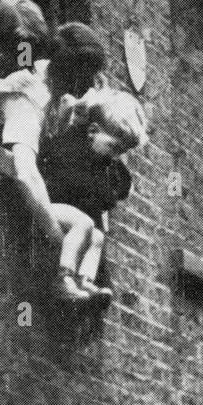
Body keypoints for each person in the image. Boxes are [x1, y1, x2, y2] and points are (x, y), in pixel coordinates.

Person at [0, 1, 107, 286]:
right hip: (15, 223)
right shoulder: (28, 97)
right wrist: (59, 239)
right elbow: (26, 174)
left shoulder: (49, 83)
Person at [39, 88, 147, 304]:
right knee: (84, 223)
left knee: (97, 236)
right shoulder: (71, 145)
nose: (115, 156)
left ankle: (85, 280)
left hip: (70, 210)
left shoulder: (104, 162)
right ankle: (64, 277)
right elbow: (65, 174)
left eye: (121, 152)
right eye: (113, 147)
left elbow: (114, 193)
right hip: (50, 201)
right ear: (93, 131)